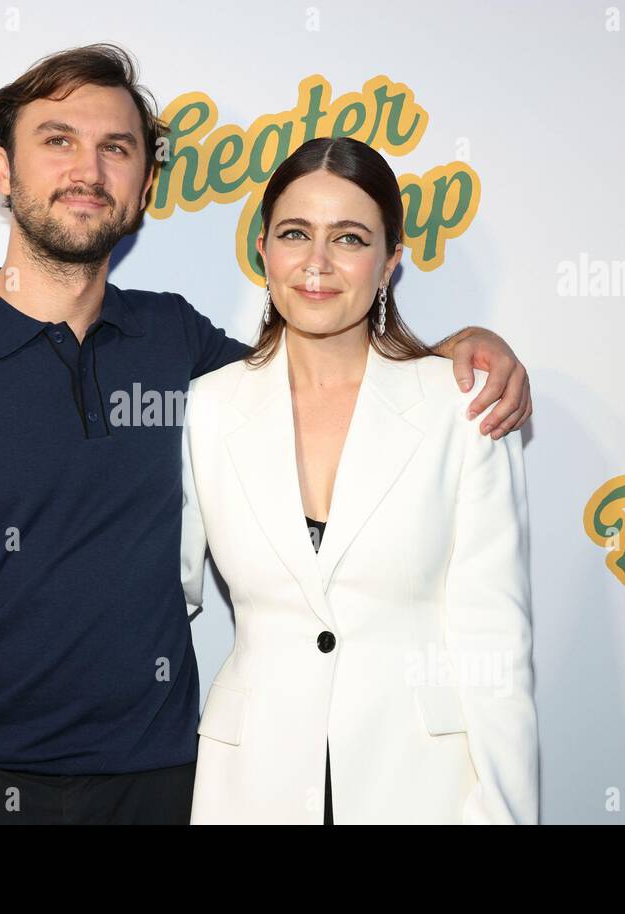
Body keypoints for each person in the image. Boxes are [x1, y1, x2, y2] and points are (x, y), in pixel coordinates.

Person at [0, 43, 532, 825]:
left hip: (160, 784)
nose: (88, 169)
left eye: (115, 148)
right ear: (2, 168)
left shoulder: (182, 349)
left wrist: (462, 342)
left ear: (145, 185)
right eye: (58, 140)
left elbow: (322, 361)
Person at [178, 136, 537, 824]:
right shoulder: (208, 408)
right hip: (251, 788)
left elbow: (496, 643)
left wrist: (506, 814)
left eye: (348, 238)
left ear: (391, 261)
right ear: (262, 250)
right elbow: (152, 590)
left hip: (423, 787)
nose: (316, 264)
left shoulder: (461, 406)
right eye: (294, 234)